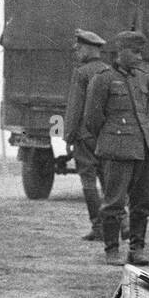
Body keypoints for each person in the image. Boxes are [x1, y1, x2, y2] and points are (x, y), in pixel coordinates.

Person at [82, 30, 149, 267]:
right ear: (120, 51)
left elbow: (145, 114)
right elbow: (92, 119)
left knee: (143, 202)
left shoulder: (141, 79)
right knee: (114, 203)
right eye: (134, 51)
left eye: (140, 52)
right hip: (117, 150)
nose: (139, 56)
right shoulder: (103, 79)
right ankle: (112, 250)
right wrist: (112, 140)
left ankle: (137, 249)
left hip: (142, 149)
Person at [64, 29, 109, 241]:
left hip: (84, 136)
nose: (76, 52)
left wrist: (69, 137)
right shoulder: (109, 71)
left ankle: (99, 227)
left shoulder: (81, 73)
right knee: (108, 181)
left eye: (80, 48)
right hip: (107, 136)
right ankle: (121, 224)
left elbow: (74, 108)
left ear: (91, 48)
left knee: (88, 180)